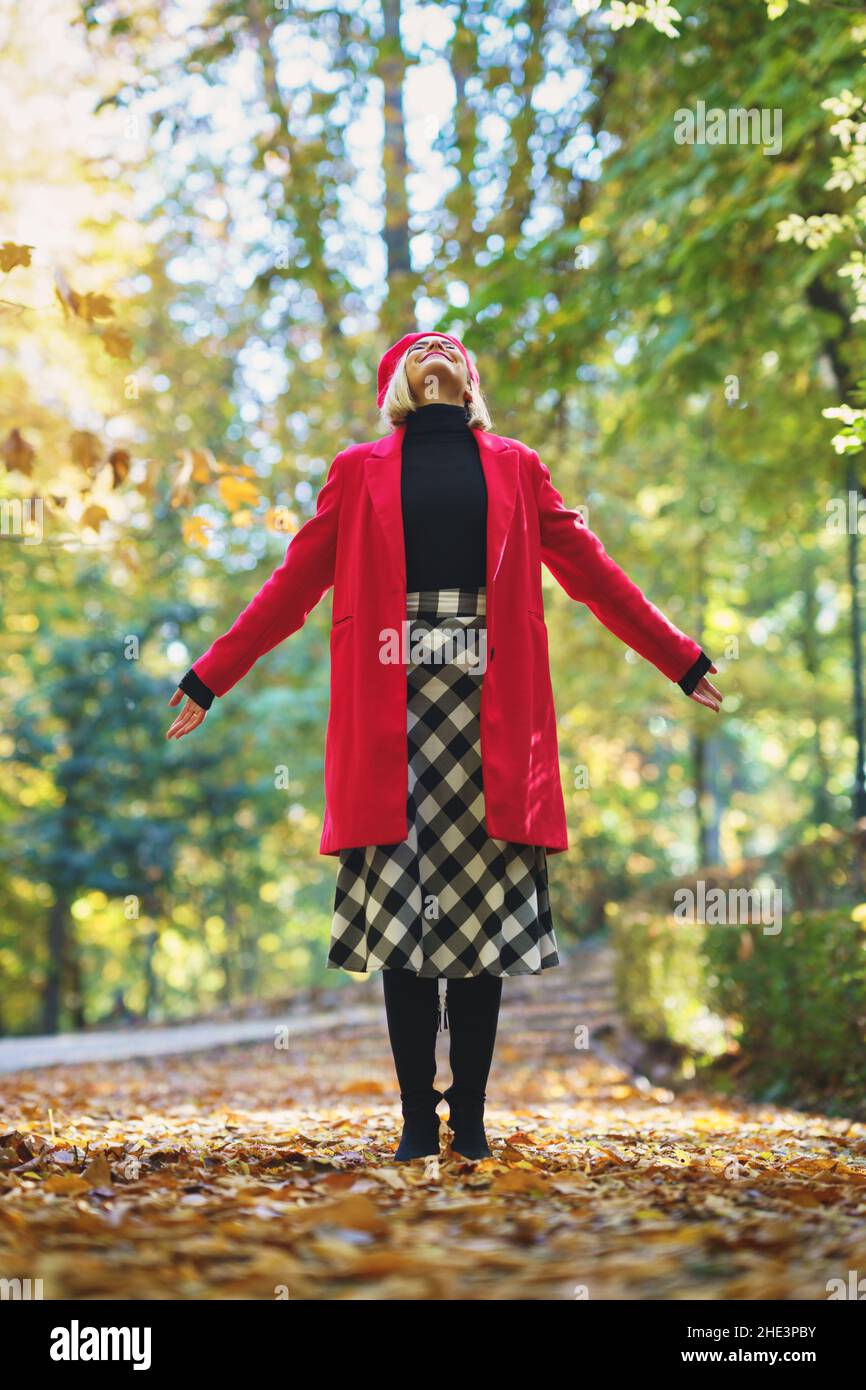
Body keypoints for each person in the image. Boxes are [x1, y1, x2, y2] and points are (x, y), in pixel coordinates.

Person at [167, 331, 722, 1161]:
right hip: (390, 711)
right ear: (398, 385)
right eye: (416, 351)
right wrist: (211, 675)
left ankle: (469, 1113)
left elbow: (593, 572)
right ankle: (415, 1120)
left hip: (491, 709)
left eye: (450, 349)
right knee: (402, 923)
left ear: (469, 380)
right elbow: (292, 587)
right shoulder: (357, 472)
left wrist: (681, 657)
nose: (435, 353)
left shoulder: (516, 465)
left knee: (476, 927)